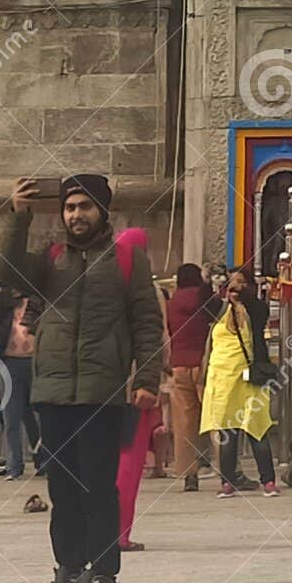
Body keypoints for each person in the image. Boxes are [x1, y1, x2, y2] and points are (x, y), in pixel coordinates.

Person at [3, 175, 165, 583]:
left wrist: (147, 378)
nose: (76, 215)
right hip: (54, 391)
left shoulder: (128, 260)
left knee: (98, 489)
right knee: (63, 491)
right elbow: (9, 273)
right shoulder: (52, 259)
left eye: (85, 207)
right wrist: (17, 218)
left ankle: (103, 582)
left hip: (101, 392)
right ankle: (68, 575)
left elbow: (147, 324)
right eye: (70, 207)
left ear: (103, 212)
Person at [200, 267, 280, 498]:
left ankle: (268, 480)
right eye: (231, 283)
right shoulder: (219, 309)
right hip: (223, 378)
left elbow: (258, 309)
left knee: (256, 428)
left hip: (249, 377)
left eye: (241, 282)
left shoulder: (255, 311)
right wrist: (209, 283)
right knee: (228, 432)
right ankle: (228, 480)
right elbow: (204, 303)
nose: (235, 288)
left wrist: (242, 292)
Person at [113, 228, 166, 551]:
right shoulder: (147, 289)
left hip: (104, 383)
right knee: (129, 466)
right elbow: (159, 339)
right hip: (138, 385)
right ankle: (120, 533)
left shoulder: (102, 283)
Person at [165, 263, 219, 492]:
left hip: (179, 365)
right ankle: (225, 466)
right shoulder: (203, 297)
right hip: (205, 363)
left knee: (184, 423)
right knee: (215, 417)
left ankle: (189, 474)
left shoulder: (172, 302)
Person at [0, 285, 43, 480]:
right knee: (11, 417)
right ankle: (14, 465)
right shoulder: (4, 301)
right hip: (10, 362)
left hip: (36, 362)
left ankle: (45, 462)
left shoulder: (41, 300)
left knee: (41, 418)